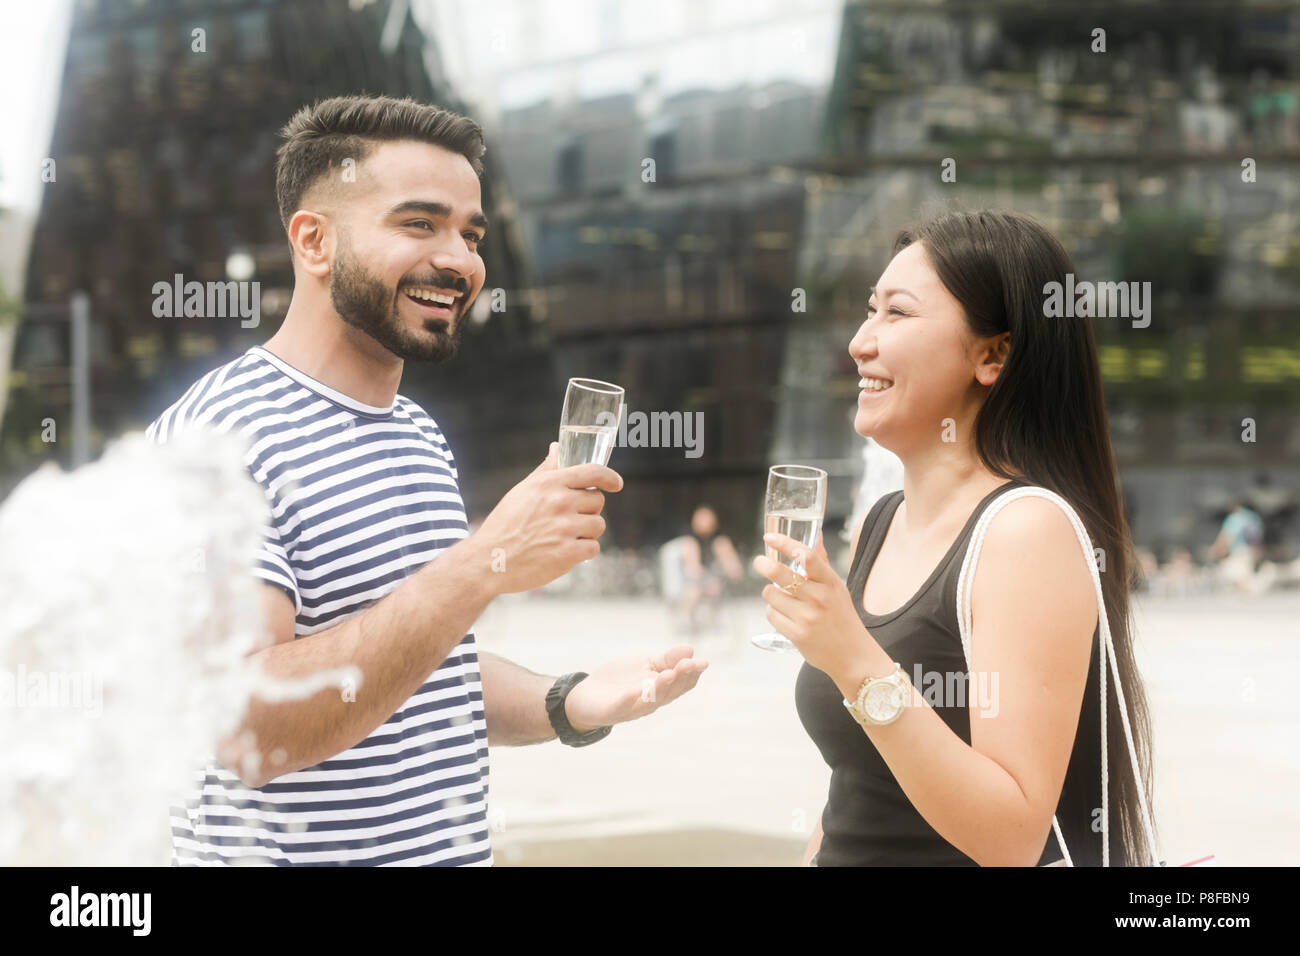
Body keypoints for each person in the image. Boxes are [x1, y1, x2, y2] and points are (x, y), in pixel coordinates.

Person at [146, 95, 707, 866]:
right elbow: (248, 728)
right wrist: (485, 561)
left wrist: (570, 700)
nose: (460, 259)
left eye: (471, 233)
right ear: (314, 241)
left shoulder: (415, 435)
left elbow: (419, 659)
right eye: (420, 224)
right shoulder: (215, 440)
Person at [753, 209, 1158, 866]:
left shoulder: (1026, 532)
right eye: (868, 311)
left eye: (897, 315)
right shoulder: (881, 524)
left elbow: (1012, 838)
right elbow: (855, 793)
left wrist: (853, 659)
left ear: (992, 355)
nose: (860, 342)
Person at [673, 505, 744, 633]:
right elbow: (692, 567)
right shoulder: (691, 539)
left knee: (716, 587)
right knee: (693, 590)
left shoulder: (719, 540)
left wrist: (732, 570)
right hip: (691, 579)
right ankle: (687, 620)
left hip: (713, 579)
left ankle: (712, 619)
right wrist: (706, 580)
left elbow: (731, 563)